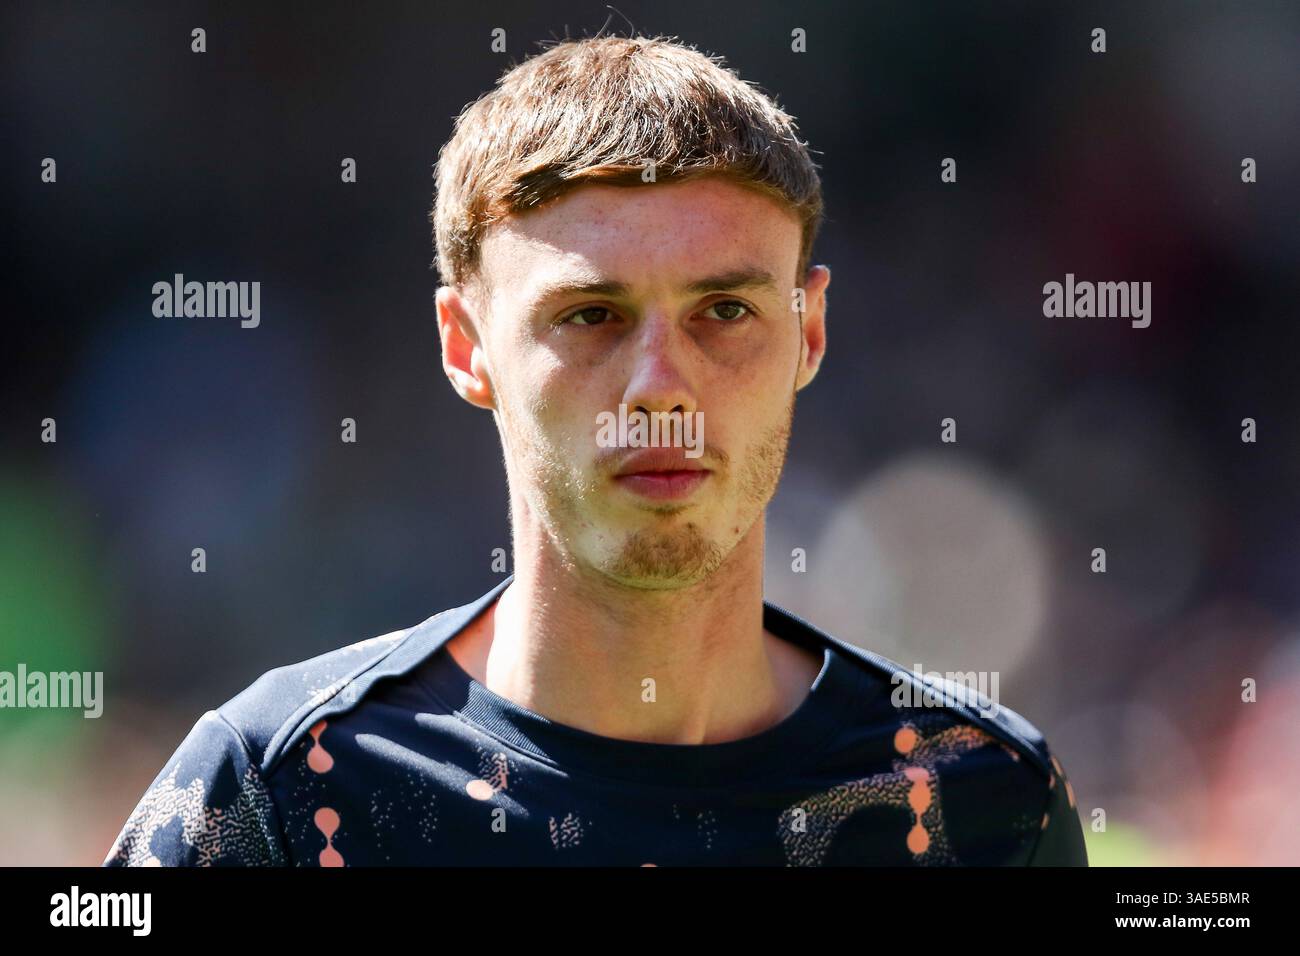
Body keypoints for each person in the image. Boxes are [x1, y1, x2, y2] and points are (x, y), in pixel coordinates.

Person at [103, 34, 1086, 867]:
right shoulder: (278, 793)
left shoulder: (979, 803)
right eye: (590, 314)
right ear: (466, 345)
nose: (659, 382)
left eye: (726, 310)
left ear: (809, 331)